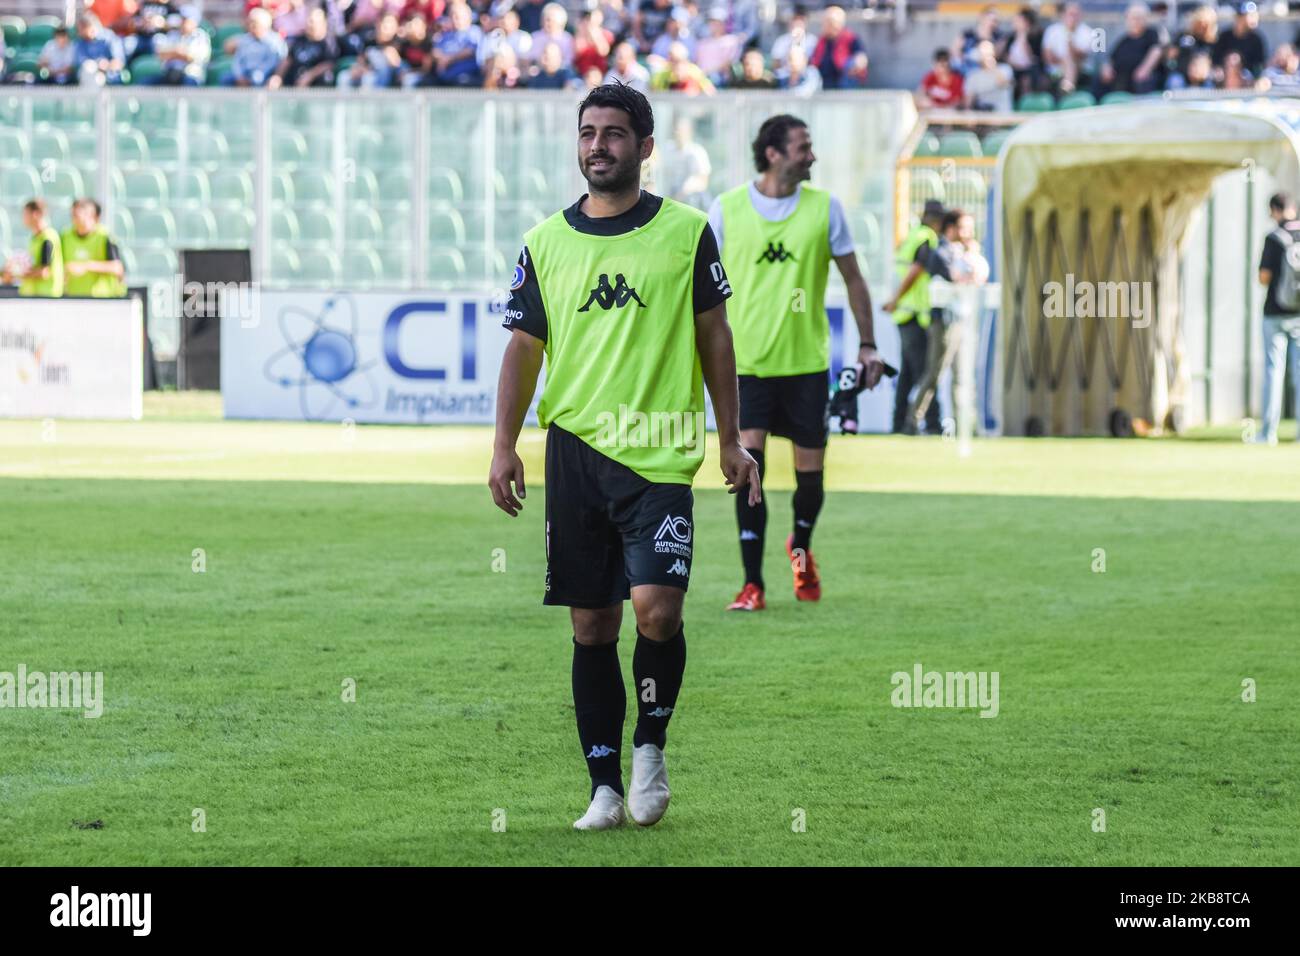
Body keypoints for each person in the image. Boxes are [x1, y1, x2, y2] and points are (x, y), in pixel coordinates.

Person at [489, 84, 759, 830]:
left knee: (657, 612)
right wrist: (504, 445)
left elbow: (715, 336)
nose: (597, 145)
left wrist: (729, 437)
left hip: (661, 455)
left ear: (645, 147)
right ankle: (603, 787)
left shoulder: (687, 232)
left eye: (613, 133)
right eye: (587, 133)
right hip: (574, 454)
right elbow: (523, 348)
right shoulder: (545, 241)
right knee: (590, 628)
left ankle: (650, 747)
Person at [708, 115, 884, 611]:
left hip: (806, 366)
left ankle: (801, 550)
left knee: (810, 478)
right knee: (749, 471)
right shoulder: (726, 209)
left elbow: (854, 279)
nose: (812, 156)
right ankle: (753, 584)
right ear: (773, 153)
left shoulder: (826, 210)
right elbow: (699, 286)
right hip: (747, 368)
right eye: (804, 147)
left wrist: (867, 344)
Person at [906, 209, 987, 433]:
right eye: (964, 228)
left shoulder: (961, 253)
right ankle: (912, 421)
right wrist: (971, 258)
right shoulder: (940, 253)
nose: (969, 233)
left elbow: (979, 277)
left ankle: (965, 427)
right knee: (934, 373)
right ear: (951, 229)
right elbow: (959, 276)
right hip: (943, 323)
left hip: (960, 320)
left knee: (962, 377)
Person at [881, 199, 945, 435]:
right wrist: (896, 298)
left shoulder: (912, 235)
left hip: (904, 315)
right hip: (916, 315)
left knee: (908, 374)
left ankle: (899, 423)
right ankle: (932, 423)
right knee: (924, 373)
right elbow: (915, 272)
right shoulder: (927, 238)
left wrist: (895, 301)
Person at [1256, 192, 1300, 445]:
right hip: (1299, 315)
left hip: (1275, 314)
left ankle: (1268, 433)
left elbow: (1264, 277)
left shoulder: (1274, 238)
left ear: (1274, 210)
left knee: (1274, 371)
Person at [61, 198, 127, 298]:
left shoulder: (105, 237)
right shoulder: (65, 236)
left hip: (101, 300)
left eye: (80, 213)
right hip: (73, 298)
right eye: (74, 214)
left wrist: (87, 266)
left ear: (94, 216)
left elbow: (117, 268)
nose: (76, 216)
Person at [2, 199, 64, 298]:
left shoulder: (48, 237)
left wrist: (16, 274)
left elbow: (44, 272)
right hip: (34, 294)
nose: (23, 218)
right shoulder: (35, 238)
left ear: (36, 214)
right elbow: (34, 265)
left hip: (46, 295)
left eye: (25, 214)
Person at [1101, 3, 1162, 95]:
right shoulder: (1124, 40)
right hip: (1120, 78)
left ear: (1145, 19)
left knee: (1143, 81)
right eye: (1132, 18)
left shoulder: (1151, 34)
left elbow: (1156, 51)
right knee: (1098, 80)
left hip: (1141, 78)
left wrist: (1145, 69)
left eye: (1139, 18)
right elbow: (1111, 58)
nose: (1135, 21)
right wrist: (1107, 68)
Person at [1041, 1, 1094, 94]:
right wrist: (1063, 62)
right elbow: (1048, 57)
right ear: (1063, 15)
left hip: (1081, 72)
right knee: (1067, 61)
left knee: (1070, 62)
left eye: (1076, 14)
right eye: (1070, 14)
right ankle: (1067, 88)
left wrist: (1069, 36)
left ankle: (1066, 89)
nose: (1073, 18)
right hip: (1055, 71)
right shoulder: (1052, 30)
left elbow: (1079, 56)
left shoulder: (1088, 32)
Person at [152, 5, 211, 86]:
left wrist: (173, 52)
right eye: (181, 19)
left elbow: (191, 56)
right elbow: (160, 53)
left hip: (190, 76)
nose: (181, 22)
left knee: (188, 82)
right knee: (146, 82)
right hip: (169, 74)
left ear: (194, 21)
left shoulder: (200, 36)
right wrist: (178, 52)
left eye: (185, 19)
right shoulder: (173, 34)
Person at [227, 7, 286, 86]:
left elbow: (272, 62)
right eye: (249, 23)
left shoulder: (274, 41)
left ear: (265, 25)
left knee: (257, 79)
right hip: (245, 72)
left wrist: (258, 72)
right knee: (226, 79)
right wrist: (239, 76)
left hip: (263, 73)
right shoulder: (245, 39)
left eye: (255, 24)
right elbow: (238, 60)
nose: (251, 26)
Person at [809, 5, 862, 90]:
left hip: (842, 77)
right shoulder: (821, 40)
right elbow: (814, 59)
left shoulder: (850, 38)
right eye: (825, 21)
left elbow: (860, 56)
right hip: (823, 78)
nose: (826, 25)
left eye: (830, 22)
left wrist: (857, 64)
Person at [1214, 2, 1265, 77]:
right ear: (1239, 17)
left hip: (1248, 80)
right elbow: (1216, 61)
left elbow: (1259, 65)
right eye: (1250, 15)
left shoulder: (1256, 39)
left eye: (1255, 15)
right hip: (1225, 79)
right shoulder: (1224, 37)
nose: (1254, 19)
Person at [74, 13, 126, 85]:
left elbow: (119, 62)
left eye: (82, 29)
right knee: (89, 69)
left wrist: (106, 65)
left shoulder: (109, 37)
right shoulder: (80, 42)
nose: (79, 33)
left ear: (91, 27)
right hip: (90, 76)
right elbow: (81, 62)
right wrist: (98, 64)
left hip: (110, 75)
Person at [963, 39, 1013, 110]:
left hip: (1002, 115)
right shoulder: (973, 75)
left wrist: (992, 66)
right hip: (982, 116)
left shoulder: (1005, 69)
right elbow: (968, 102)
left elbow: (1003, 83)